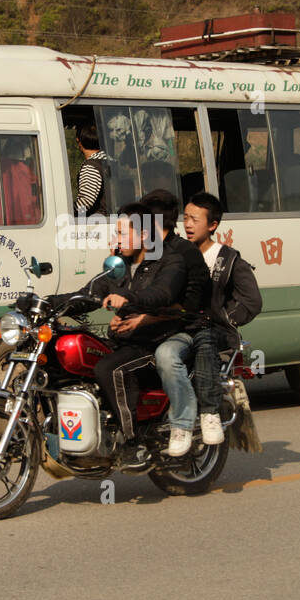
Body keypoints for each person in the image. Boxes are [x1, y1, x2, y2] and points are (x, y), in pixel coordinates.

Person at [50, 203, 186, 444]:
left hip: (154, 343)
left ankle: (133, 440)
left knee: (108, 368)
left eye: (122, 233)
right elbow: (88, 295)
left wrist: (130, 299)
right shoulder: (119, 267)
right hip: (125, 342)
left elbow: (162, 294)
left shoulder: (168, 262)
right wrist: (44, 303)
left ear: (143, 235)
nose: (116, 239)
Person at [134, 189, 211, 456]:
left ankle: (183, 423)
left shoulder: (184, 253)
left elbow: (187, 307)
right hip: (155, 328)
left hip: (185, 329)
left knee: (166, 355)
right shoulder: (150, 251)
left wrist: (143, 319)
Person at [183, 191, 262, 445]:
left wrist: (224, 319)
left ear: (212, 225)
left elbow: (252, 301)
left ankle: (209, 415)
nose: (187, 225)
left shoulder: (228, 260)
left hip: (214, 335)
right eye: (185, 218)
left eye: (195, 219)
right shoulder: (180, 254)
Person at [74, 124, 110, 217]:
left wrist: (69, 212)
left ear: (79, 141)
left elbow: (86, 201)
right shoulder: (109, 161)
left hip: (98, 221)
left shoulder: (91, 166)